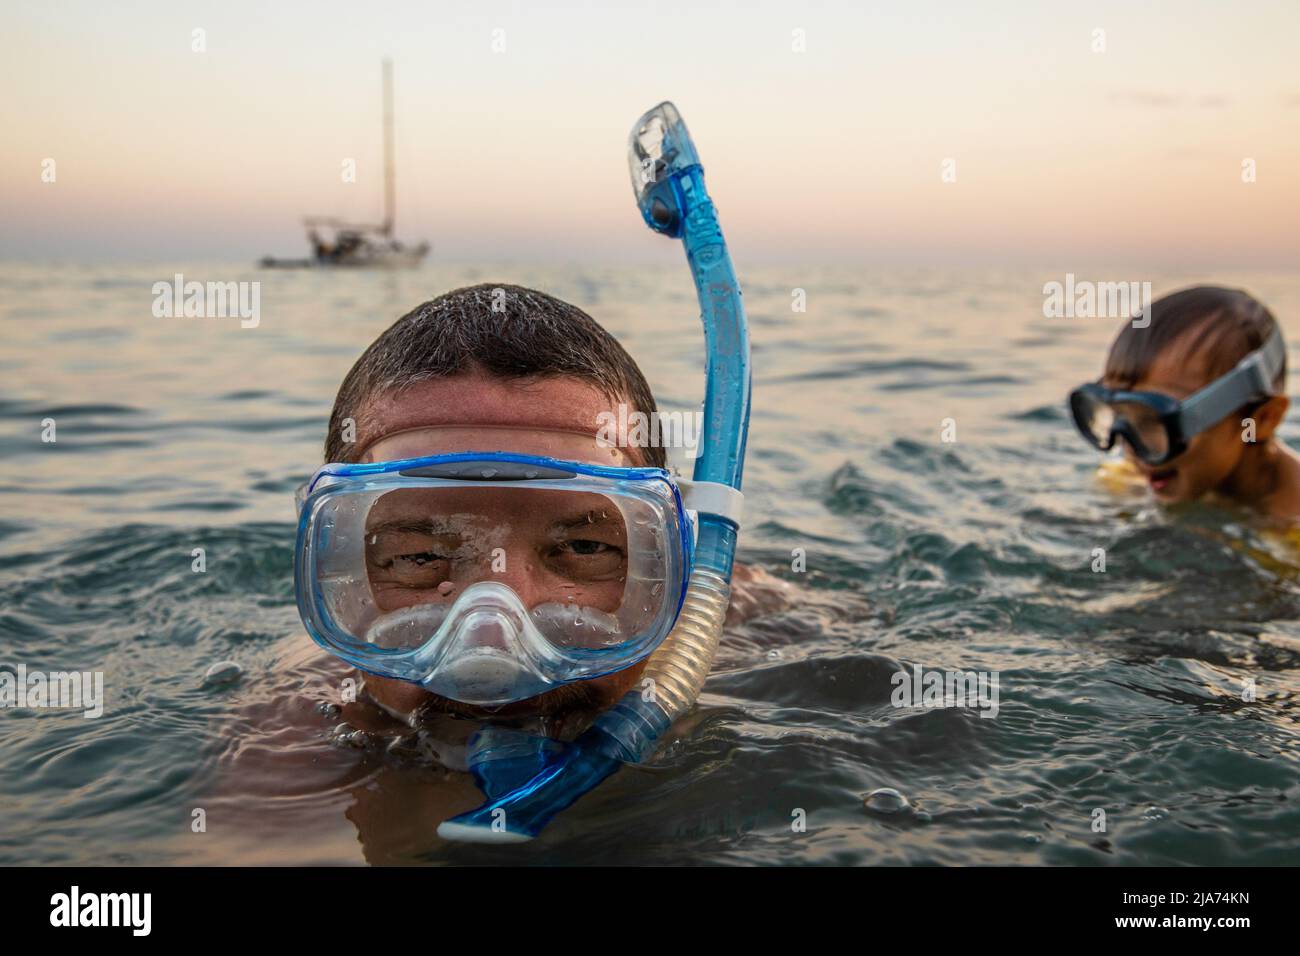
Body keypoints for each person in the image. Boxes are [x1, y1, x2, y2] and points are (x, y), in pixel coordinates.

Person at [1068, 286, 1300, 519]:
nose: (1130, 449)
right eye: (1119, 415)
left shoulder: (1292, 528)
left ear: (1262, 419)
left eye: (1152, 420)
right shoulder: (1128, 478)